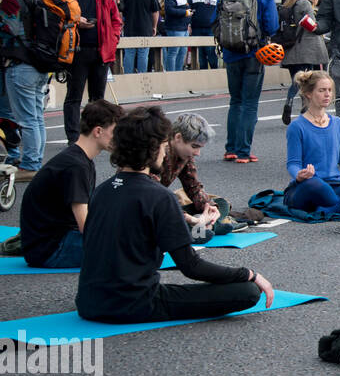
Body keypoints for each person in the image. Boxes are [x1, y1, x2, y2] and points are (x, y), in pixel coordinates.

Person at [75, 107, 273, 324]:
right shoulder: (158, 196)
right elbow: (191, 266)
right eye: (162, 145)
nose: (163, 151)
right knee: (247, 291)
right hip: (132, 303)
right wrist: (249, 274)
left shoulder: (102, 190)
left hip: (88, 301)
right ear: (152, 149)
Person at [19, 99, 124, 268]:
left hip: (48, 241)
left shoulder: (80, 159)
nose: (119, 138)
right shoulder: (77, 166)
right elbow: (86, 226)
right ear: (98, 131)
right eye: (115, 132)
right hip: (51, 249)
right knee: (129, 248)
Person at [222, 0, 279, 164]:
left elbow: (215, 22)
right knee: (250, 103)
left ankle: (230, 148)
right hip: (255, 53)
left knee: (235, 101)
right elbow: (271, 25)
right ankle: (244, 151)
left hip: (230, 52)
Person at [0, 0, 52, 179]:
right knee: (36, 117)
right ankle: (36, 160)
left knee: (27, 119)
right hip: (38, 63)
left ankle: (30, 164)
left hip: (19, 65)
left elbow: (9, 30)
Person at [62, 0, 123, 142]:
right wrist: (74, 21)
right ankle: (74, 138)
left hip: (101, 50)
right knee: (74, 97)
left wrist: (114, 38)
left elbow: (116, 19)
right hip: (76, 51)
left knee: (98, 99)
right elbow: (55, 19)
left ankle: (96, 135)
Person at [284, 71, 340, 214]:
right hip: (308, 186)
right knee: (317, 185)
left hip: (334, 185)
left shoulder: (338, 124)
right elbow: (293, 163)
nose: (327, 94)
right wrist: (299, 174)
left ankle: (330, 209)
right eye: (322, 90)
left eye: (329, 90)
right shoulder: (297, 126)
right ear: (309, 94)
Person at [157, 112, 221, 232]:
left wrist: (210, 207)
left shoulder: (184, 155)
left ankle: (207, 224)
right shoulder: (156, 153)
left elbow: (193, 187)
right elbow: (153, 197)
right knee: (168, 209)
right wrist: (190, 219)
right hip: (140, 206)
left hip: (157, 201)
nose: (197, 153)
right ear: (178, 138)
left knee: (220, 205)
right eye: (194, 146)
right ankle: (194, 229)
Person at [279, 0, 328, 125]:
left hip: (291, 49)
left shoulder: (287, 5)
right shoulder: (305, 3)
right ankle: (304, 109)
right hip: (308, 50)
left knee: (296, 80)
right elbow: (313, 26)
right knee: (309, 82)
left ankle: (289, 102)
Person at [119, 0, 160, 74]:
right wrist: (154, 26)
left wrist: (121, 24)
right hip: (145, 28)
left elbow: (120, 11)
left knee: (129, 54)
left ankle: (128, 78)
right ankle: (142, 76)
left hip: (129, 27)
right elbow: (155, 12)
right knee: (143, 55)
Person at [160, 0, 192, 72]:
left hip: (183, 27)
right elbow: (170, 11)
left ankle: (178, 73)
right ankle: (172, 74)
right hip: (175, 28)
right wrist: (185, 12)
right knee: (174, 52)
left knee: (182, 52)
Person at [189, 0, 221, 70]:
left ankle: (214, 72)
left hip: (211, 29)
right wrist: (189, 24)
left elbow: (220, 13)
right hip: (196, 29)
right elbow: (187, 10)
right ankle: (203, 74)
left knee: (211, 52)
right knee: (201, 55)